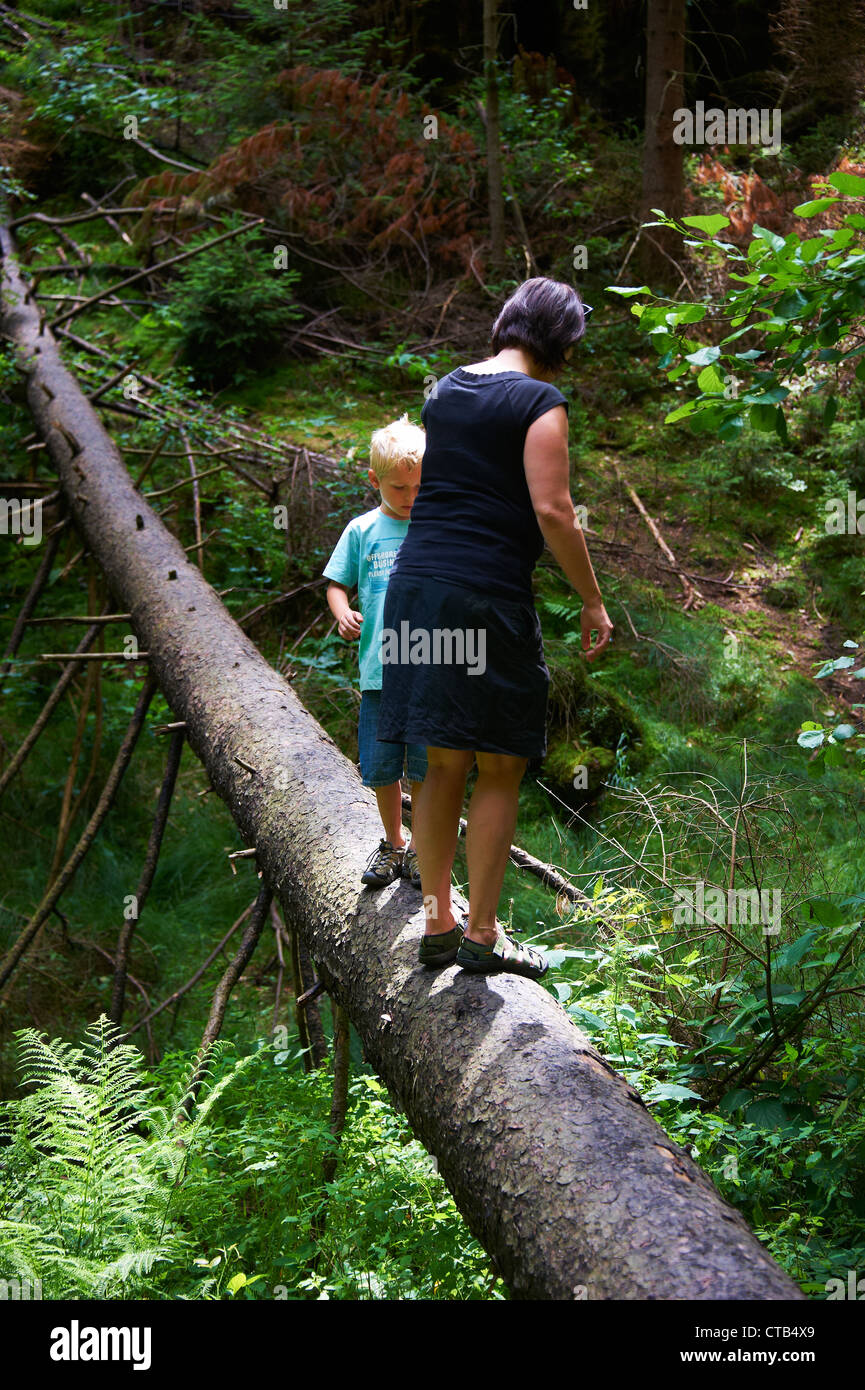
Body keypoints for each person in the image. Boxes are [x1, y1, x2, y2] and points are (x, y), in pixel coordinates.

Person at [376, 277, 613, 976]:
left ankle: (438, 921)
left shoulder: (444, 391)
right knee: (501, 764)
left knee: (440, 757)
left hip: (415, 589)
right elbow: (553, 511)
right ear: (561, 340)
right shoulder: (541, 402)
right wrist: (592, 601)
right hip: (485, 594)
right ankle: (482, 935)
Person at [323, 413, 428, 890]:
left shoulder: (435, 528)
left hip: (431, 671)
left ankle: (426, 849)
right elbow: (336, 584)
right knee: (383, 766)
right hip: (379, 673)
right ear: (374, 481)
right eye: (398, 488)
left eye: (418, 487)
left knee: (428, 767)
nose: (410, 497)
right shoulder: (362, 530)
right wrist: (341, 612)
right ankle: (394, 843)